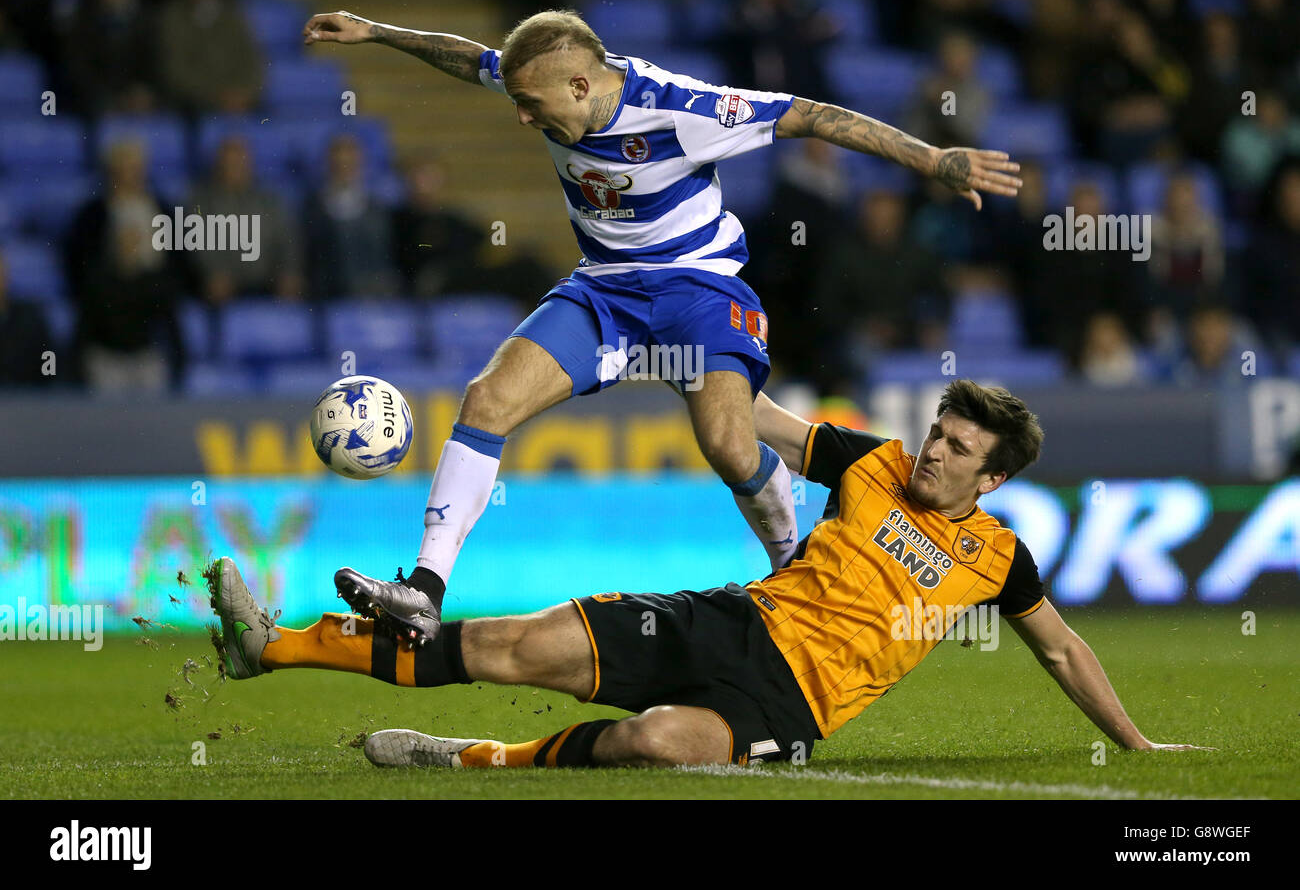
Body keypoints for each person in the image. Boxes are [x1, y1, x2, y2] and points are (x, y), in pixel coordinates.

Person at [300, 7, 1023, 644]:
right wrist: (376, 34)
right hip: (605, 290)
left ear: (581, 87)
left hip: (697, 289)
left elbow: (807, 113)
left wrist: (933, 158)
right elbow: (471, 60)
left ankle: (792, 570)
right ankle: (424, 594)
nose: (522, 117)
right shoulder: (543, 79)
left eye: (531, 104)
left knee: (730, 443)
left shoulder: (681, 108)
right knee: (486, 400)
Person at [209, 380, 1206, 768]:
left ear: (992, 476)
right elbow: (752, 419)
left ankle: (476, 758)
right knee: (517, 643)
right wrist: (692, 355)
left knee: (658, 746)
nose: (931, 451)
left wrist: (1135, 740)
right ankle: (272, 646)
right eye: (937, 432)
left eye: (954, 448)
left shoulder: (1000, 559)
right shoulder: (869, 460)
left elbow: (1064, 650)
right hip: (729, 621)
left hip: (791, 702)